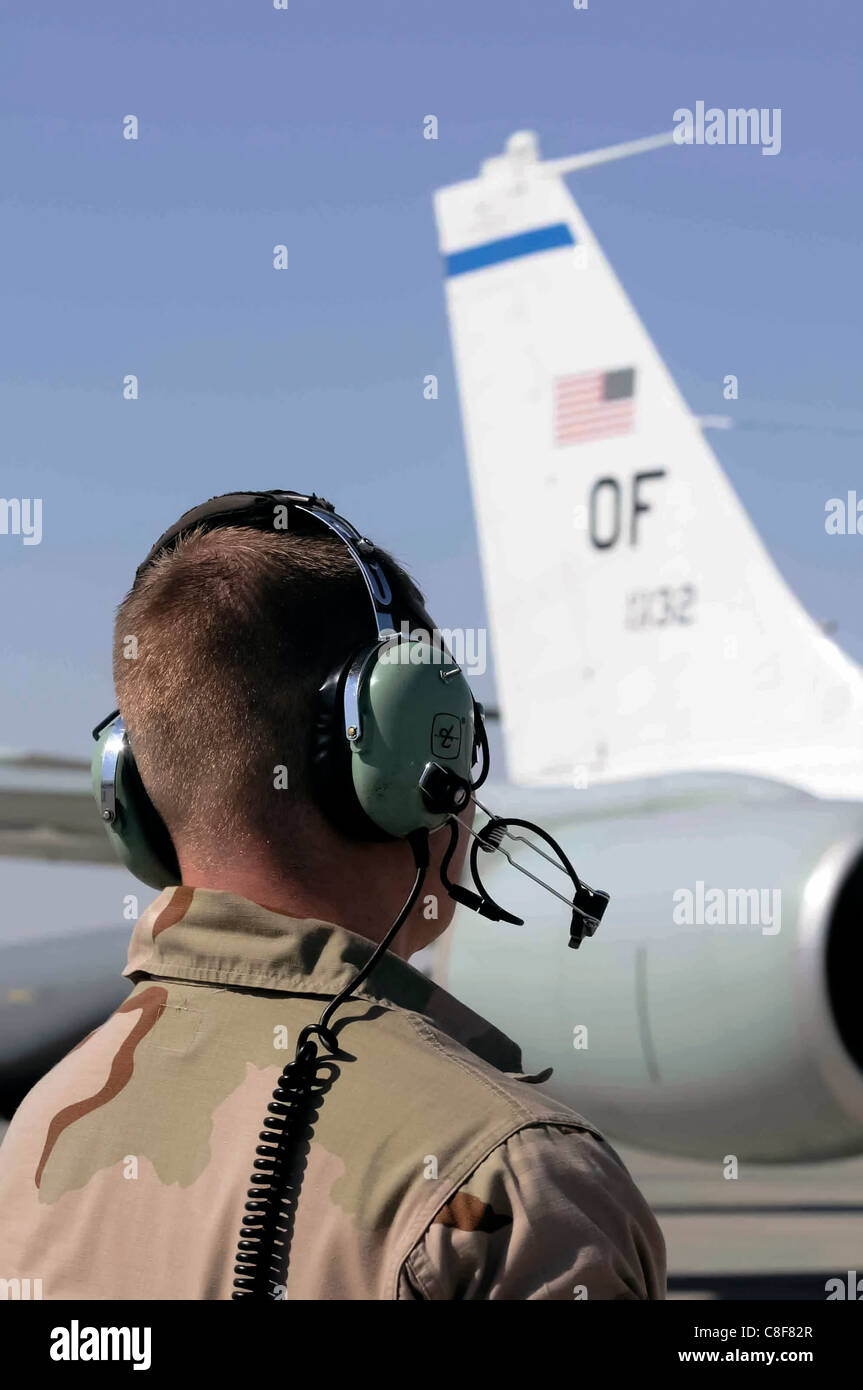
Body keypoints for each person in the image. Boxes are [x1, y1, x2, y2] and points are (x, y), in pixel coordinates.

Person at [0, 492, 665, 1300]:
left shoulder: (42, 1127)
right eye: (455, 745)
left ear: (133, 794)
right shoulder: (513, 1183)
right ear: (406, 750)